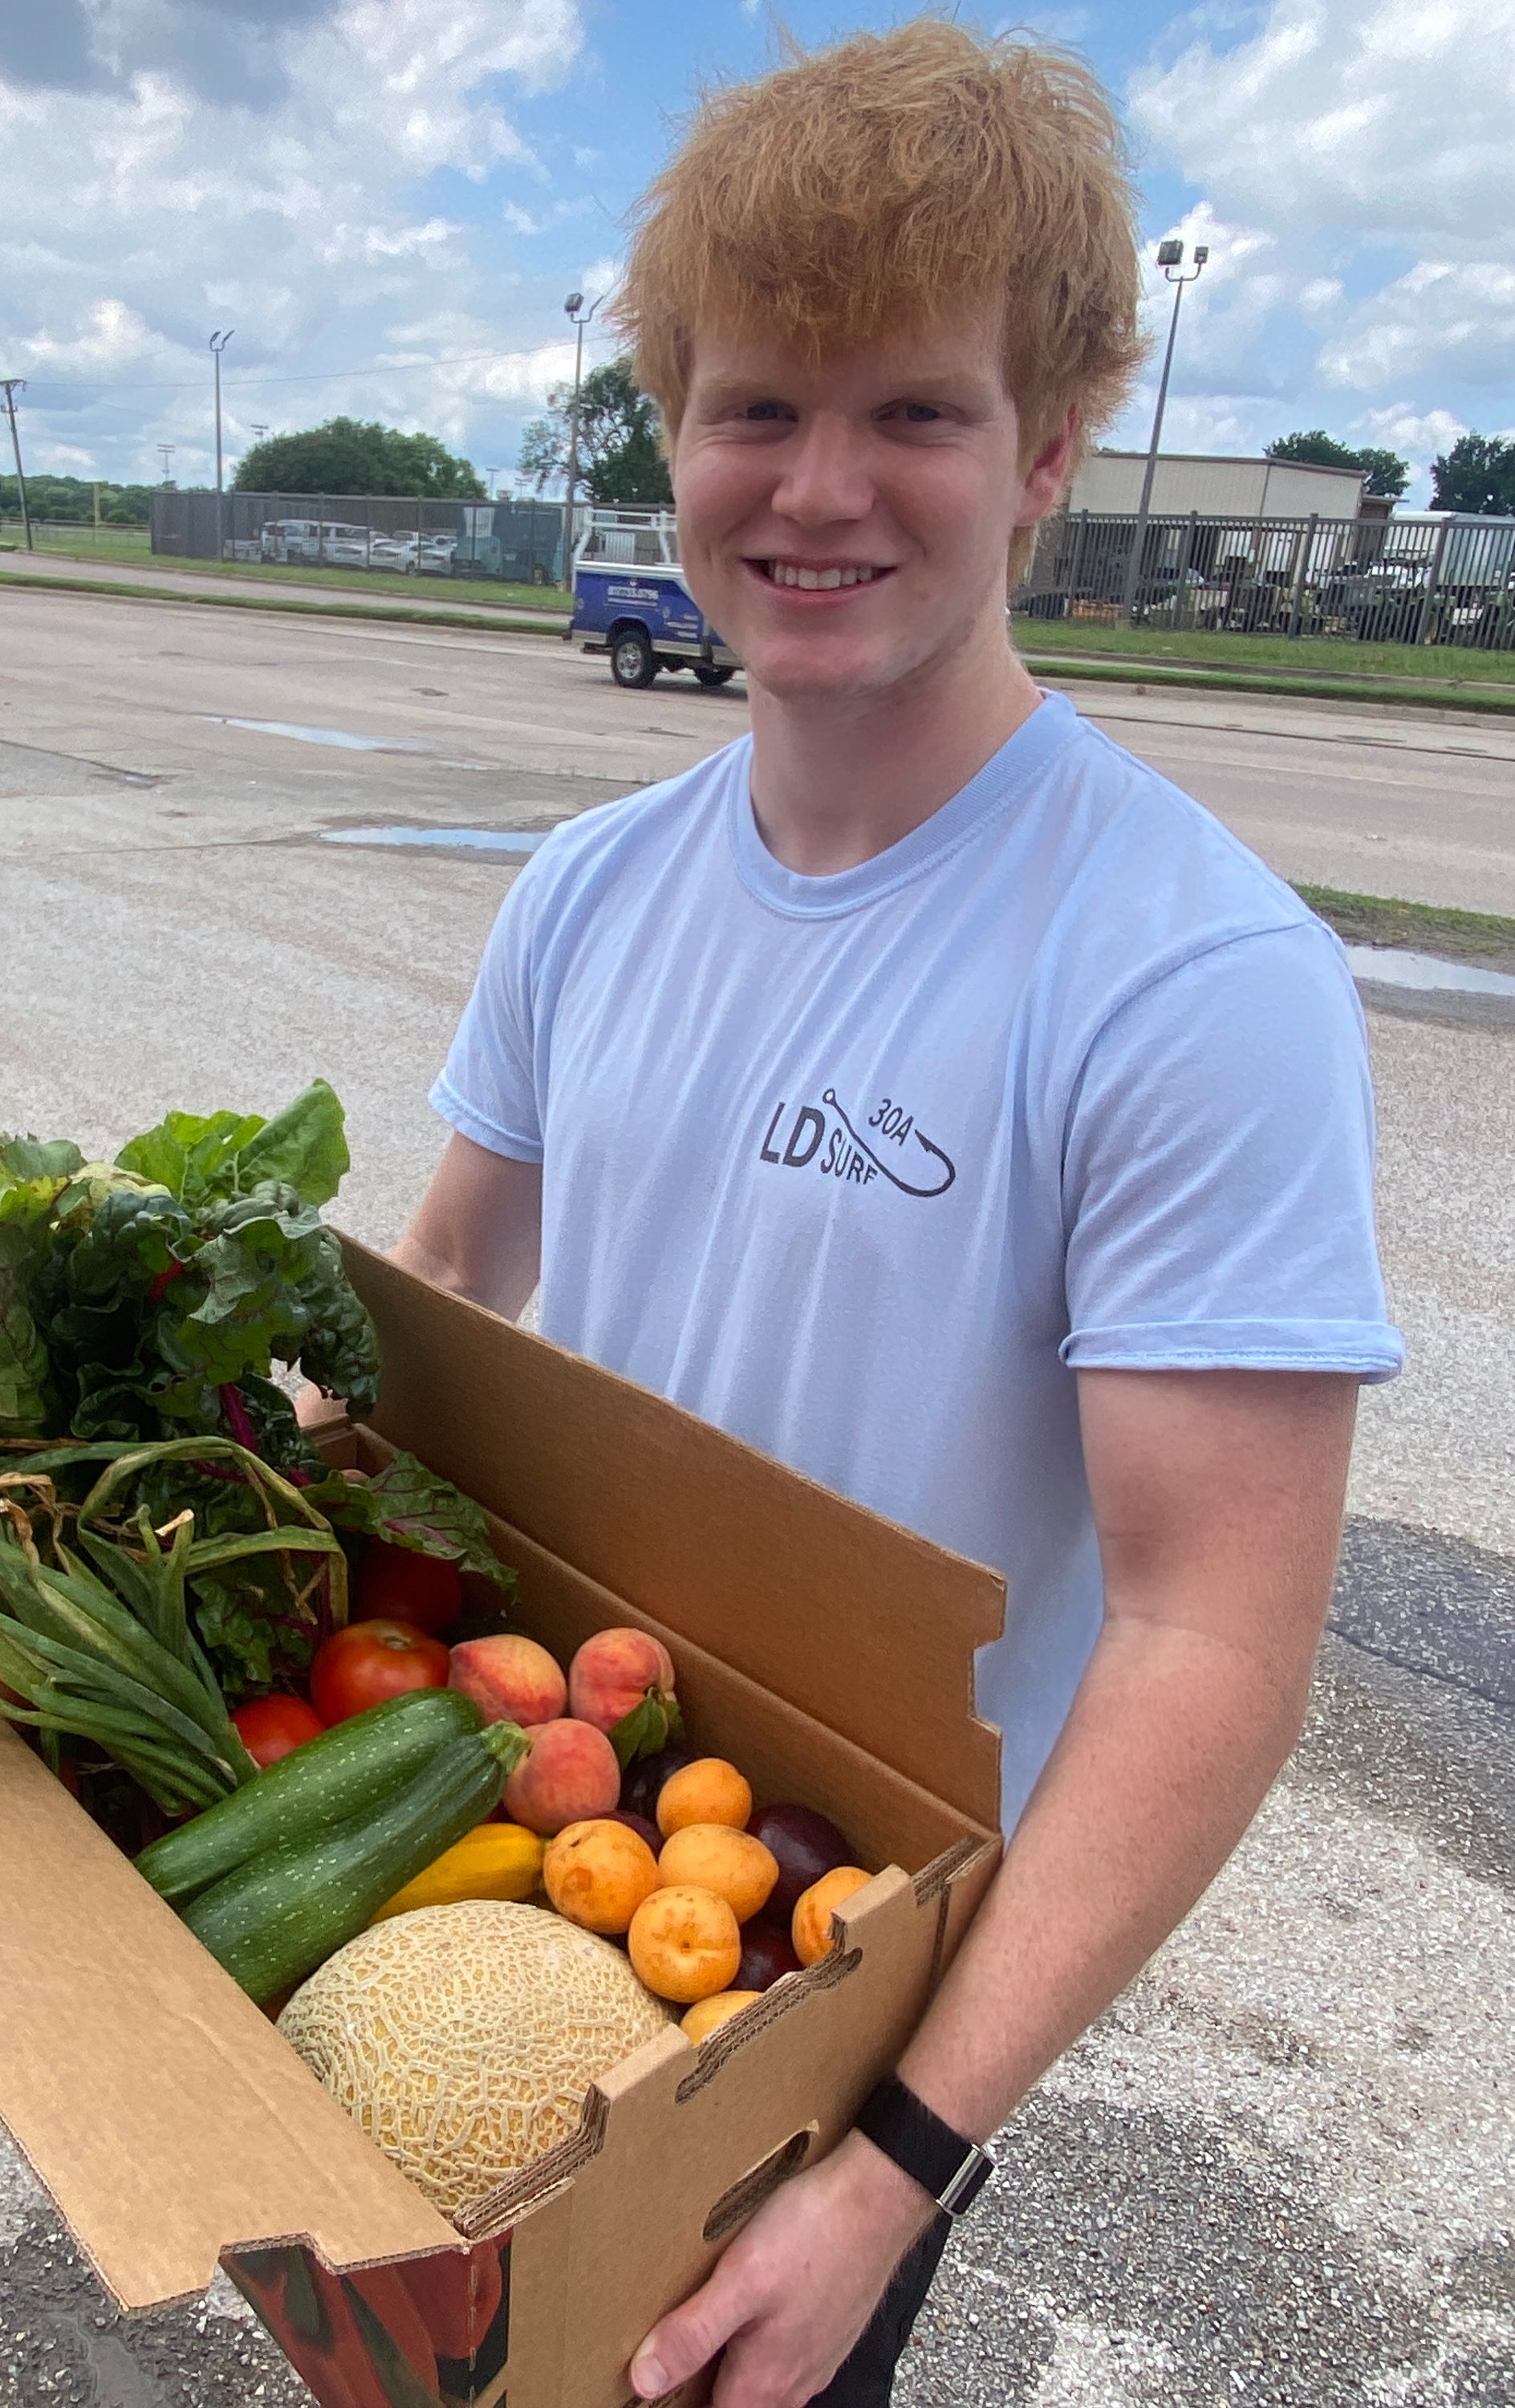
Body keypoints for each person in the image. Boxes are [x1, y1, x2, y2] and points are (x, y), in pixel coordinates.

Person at [393, 24, 1402, 2406]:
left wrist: (897, 2172)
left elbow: (1206, 1645)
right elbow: (445, 1289)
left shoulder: (1189, 971)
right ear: (668, 429)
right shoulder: (582, 892)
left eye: (917, 416)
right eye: (756, 407)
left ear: (1047, 453)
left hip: (825, 1982)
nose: (817, 488)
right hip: (527, 1820)